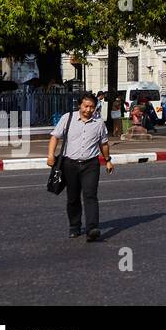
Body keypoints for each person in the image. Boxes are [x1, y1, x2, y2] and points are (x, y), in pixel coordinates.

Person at [47, 92, 114, 242]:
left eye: (92, 107)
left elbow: (103, 143)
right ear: (80, 105)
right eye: (86, 106)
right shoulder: (68, 118)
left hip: (91, 164)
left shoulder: (99, 123)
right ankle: (74, 226)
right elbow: (55, 136)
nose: (88, 110)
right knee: (73, 197)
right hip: (69, 164)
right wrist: (51, 155)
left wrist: (108, 160)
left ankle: (92, 229)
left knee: (90, 195)